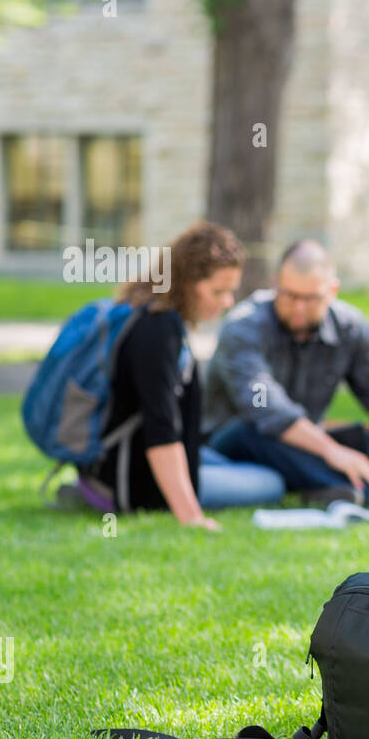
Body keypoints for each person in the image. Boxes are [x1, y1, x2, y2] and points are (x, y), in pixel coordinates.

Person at [203, 239, 369, 512]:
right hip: (234, 443)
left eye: (311, 298)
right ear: (275, 283)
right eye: (290, 295)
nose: (299, 308)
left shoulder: (350, 327)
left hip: (308, 442)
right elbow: (268, 409)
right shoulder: (243, 327)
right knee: (258, 429)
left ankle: (336, 490)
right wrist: (333, 452)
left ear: (333, 290)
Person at [86, 221, 286, 529]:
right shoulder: (158, 328)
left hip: (124, 464)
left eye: (230, 291)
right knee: (271, 481)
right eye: (218, 291)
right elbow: (161, 428)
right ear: (188, 282)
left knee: (253, 461)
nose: (227, 302)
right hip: (135, 480)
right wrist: (191, 516)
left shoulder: (151, 313)